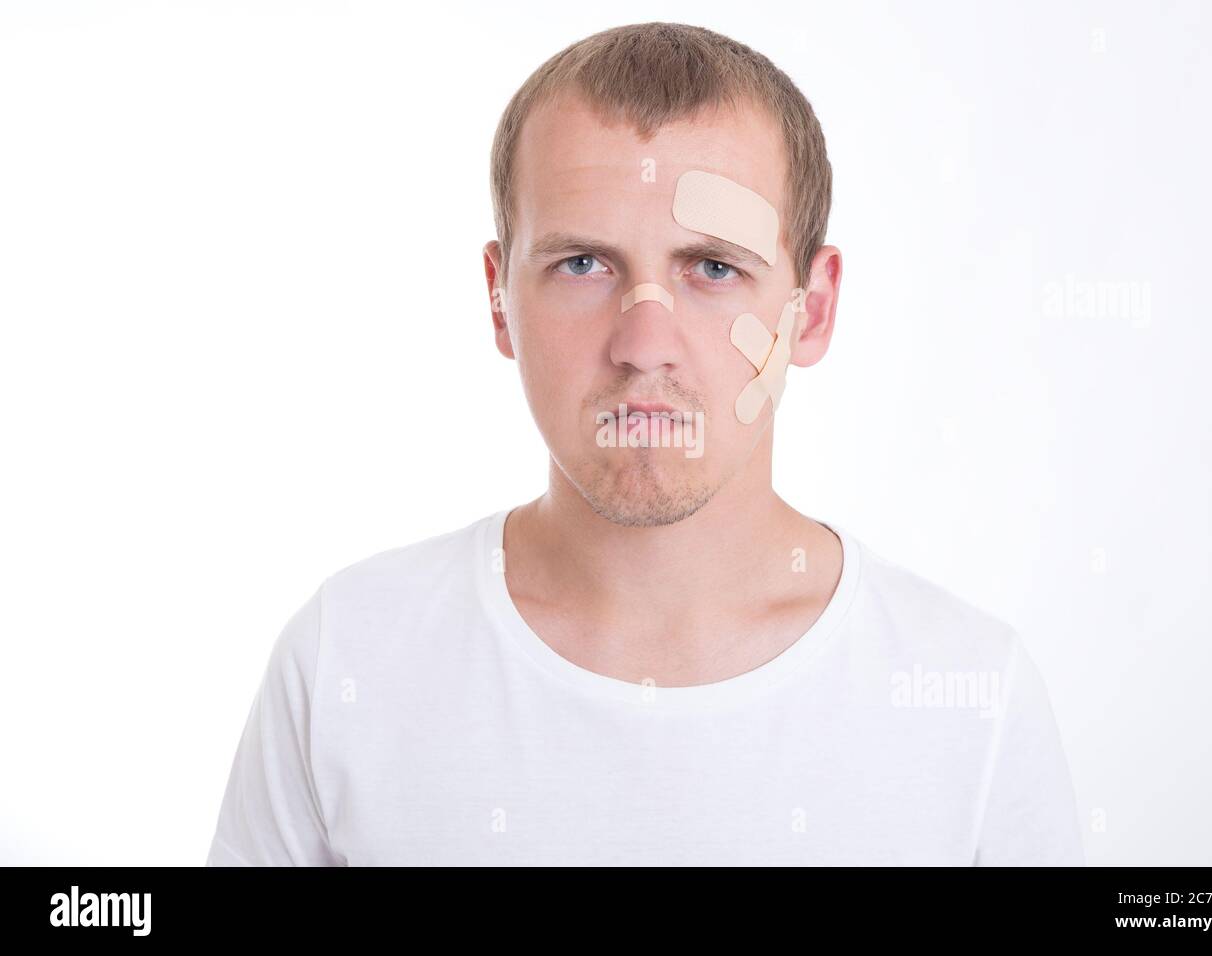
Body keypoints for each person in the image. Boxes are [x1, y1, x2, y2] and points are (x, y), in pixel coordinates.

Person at [205, 21, 1084, 866]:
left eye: (712, 268)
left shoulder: (970, 697)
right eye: (583, 265)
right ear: (498, 298)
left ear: (810, 311)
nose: (644, 343)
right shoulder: (349, 658)